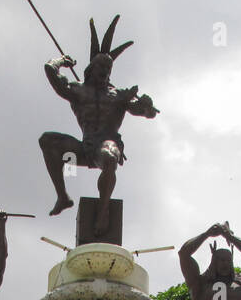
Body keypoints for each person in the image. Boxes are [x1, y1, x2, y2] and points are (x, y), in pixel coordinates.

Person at [38, 15, 158, 235]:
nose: (105, 71)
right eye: (101, 66)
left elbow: (143, 111)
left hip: (107, 144)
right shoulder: (78, 91)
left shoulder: (119, 95)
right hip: (85, 148)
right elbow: (49, 69)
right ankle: (63, 197)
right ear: (91, 68)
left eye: (108, 68)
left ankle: (103, 212)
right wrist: (62, 61)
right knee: (47, 140)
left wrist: (147, 106)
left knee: (110, 155)